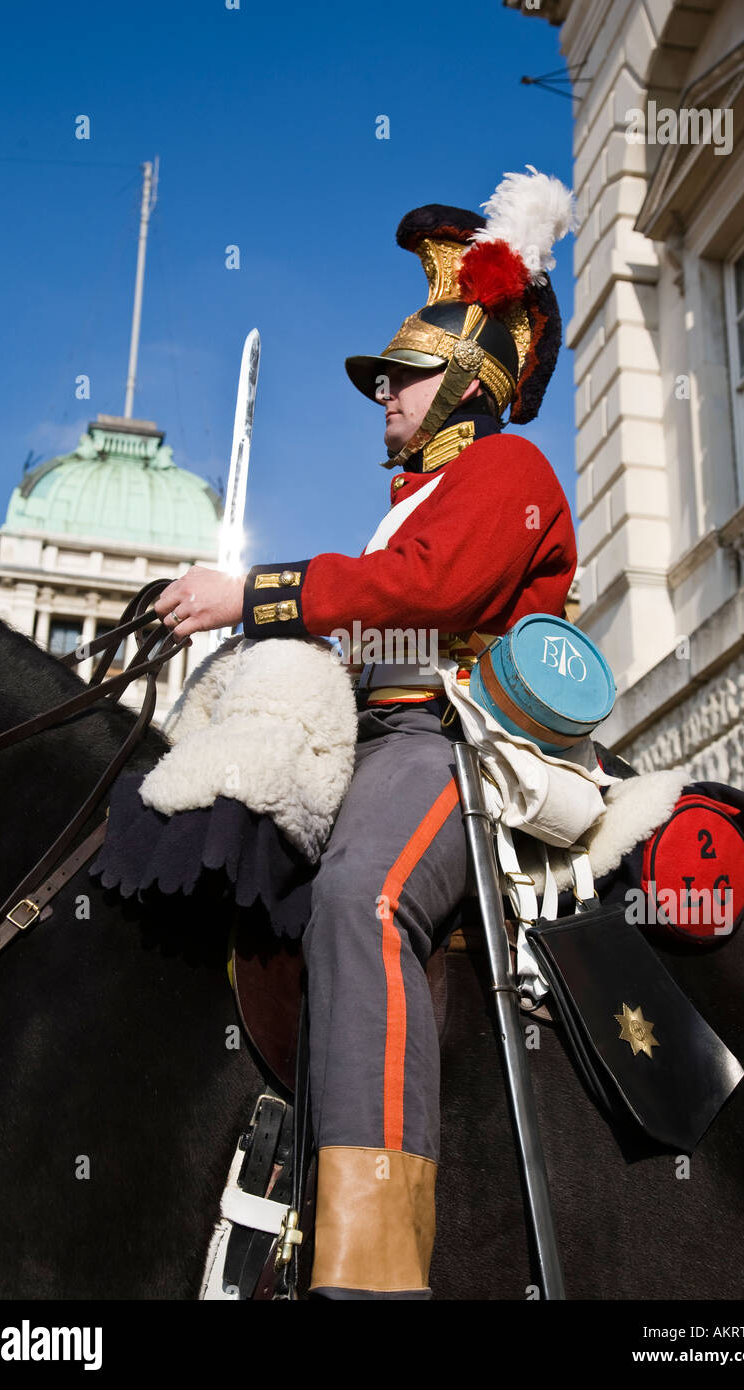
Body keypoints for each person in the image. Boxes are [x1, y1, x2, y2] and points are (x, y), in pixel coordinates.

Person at [154, 171, 579, 1298]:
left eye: (400, 377)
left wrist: (249, 596)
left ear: (466, 380)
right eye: (382, 380)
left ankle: (373, 1270)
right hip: (369, 742)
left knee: (364, 898)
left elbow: (425, 591)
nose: (380, 394)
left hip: (454, 743)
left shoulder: (508, 470)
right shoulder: (408, 495)